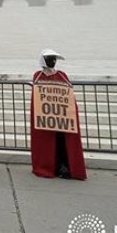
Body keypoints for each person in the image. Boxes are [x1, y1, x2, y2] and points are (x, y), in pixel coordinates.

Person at [30, 49, 87, 180]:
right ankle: (50, 166)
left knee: (63, 142)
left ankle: (65, 166)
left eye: (54, 59)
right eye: (50, 58)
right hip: (47, 116)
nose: (53, 61)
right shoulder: (38, 76)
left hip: (62, 116)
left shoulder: (62, 75)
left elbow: (68, 94)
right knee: (48, 142)